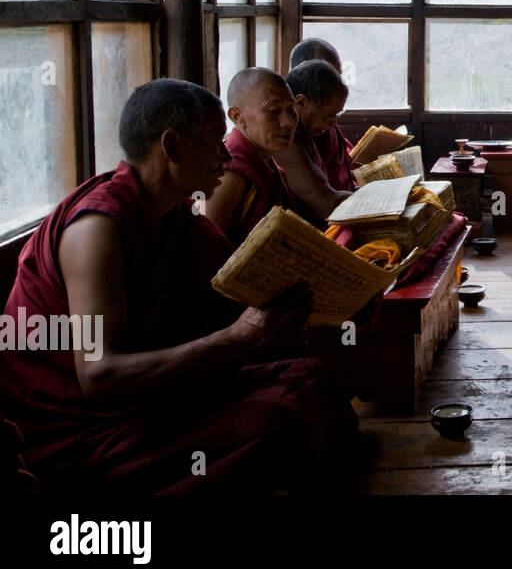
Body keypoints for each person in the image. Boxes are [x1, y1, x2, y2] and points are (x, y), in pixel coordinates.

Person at [0, 79, 360, 493]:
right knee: (276, 422)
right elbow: (98, 376)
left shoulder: (177, 215)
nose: (227, 156)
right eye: (214, 143)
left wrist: (326, 304)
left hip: (151, 399)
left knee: (313, 378)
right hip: (82, 433)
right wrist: (240, 339)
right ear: (171, 147)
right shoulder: (98, 228)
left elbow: (232, 295)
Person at [207, 68, 297, 246]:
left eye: (291, 109)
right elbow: (204, 249)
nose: (288, 122)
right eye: (273, 111)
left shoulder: (266, 162)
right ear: (237, 116)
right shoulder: (229, 175)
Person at [279, 60, 354, 226]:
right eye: (328, 116)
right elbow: (326, 203)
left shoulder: (306, 134)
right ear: (301, 103)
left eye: (337, 116)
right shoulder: (284, 142)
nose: (332, 125)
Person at [290, 38, 357, 191]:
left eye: (337, 75)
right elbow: (323, 200)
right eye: (328, 74)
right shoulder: (290, 135)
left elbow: (347, 163)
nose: (335, 81)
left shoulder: (324, 118)